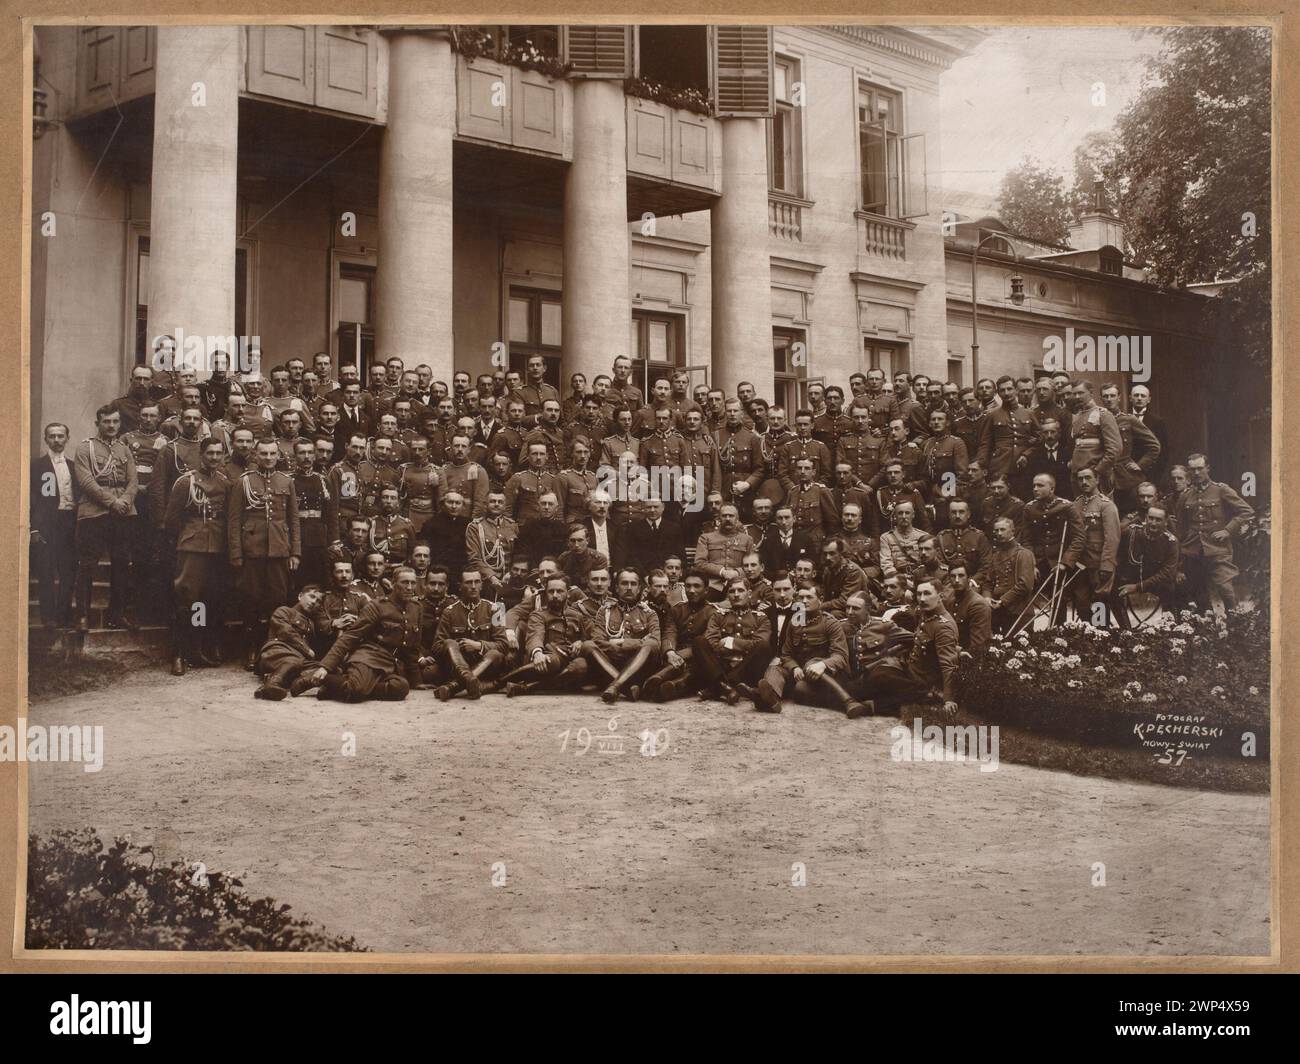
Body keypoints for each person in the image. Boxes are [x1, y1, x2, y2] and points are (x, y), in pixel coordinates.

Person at [228, 439, 301, 669]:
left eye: (272, 454)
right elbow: (234, 520)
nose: (268, 458)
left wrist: (295, 552)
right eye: (264, 454)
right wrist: (236, 553)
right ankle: (250, 648)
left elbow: (294, 519)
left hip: (279, 551)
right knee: (251, 600)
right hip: (252, 551)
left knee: (277, 601)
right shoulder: (245, 482)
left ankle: (273, 649)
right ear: (255, 455)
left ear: (278, 456)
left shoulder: (286, 481)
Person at [744, 585, 864, 718]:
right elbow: (786, 654)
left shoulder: (830, 623)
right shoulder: (795, 622)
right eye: (801, 598)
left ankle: (848, 700)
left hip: (827, 676)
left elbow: (840, 656)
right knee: (775, 668)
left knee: (803, 681)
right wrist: (794, 667)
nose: (804, 601)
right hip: (801, 673)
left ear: (820, 599)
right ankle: (770, 698)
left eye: (809, 597)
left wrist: (822, 665)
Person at [164, 438, 230, 674]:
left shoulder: (225, 482)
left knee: (206, 601)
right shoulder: (186, 481)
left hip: (217, 548)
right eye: (210, 453)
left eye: (218, 453)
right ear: (201, 454)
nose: (214, 457)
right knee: (186, 600)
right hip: (192, 547)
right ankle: (179, 653)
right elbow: (172, 520)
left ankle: (197, 648)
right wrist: (184, 541)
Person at [308, 567, 424, 702]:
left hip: (391, 663)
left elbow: (413, 646)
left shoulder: (417, 608)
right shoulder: (377, 606)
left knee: (401, 687)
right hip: (369, 657)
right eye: (404, 582)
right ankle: (321, 679)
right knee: (357, 691)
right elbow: (350, 636)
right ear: (393, 583)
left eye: (412, 583)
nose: (409, 587)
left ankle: (334, 689)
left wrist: (417, 681)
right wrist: (325, 667)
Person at [73, 405, 139, 631]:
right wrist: (113, 502)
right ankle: (82, 616)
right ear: (97, 423)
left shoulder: (124, 450)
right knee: (87, 565)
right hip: (94, 512)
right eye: (107, 422)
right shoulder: (85, 448)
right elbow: (86, 482)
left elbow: (133, 481)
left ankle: (117, 614)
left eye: (115, 422)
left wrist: (126, 501)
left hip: (123, 512)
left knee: (122, 564)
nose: (111, 426)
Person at [1173, 453, 1254, 616]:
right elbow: (1181, 528)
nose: (1196, 473)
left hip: (1218, 549)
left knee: (1225, 588)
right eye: (1192, 469)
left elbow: (1247, 511)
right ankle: (1207, 630)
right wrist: (1180, 559)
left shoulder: (1221, 490)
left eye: (1200, 468)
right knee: (1199, 593)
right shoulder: (1185, 496)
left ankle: (1236, 625)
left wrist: (1228, 530)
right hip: (1193, 551)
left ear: (1207, 468)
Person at [501, 574, 594, 696]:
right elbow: (535, 635)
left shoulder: (577, 615)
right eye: (551, 591)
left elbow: (589, 636)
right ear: (546, 593)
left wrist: (581, 642)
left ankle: (526, 688)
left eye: (560, 591)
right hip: (549, 659)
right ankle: (498, 683)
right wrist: (537, 652)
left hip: (570, 663)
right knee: (552, 661)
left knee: (581, 665)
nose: (555, 595)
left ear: (568, 593)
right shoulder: (539, 615)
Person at [31, 422, 80, 643]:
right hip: (47, 524)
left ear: (67, 438)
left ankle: (64, 615)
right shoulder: (37, 466)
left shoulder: (73, 466)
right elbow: (32, 500)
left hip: (69, 522)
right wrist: (34, 528)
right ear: (46, 439)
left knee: (68, 571)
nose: (57, 440)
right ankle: (49, 617)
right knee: (46, 571)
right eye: (52, 436)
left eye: (61, 436)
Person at [583, 568, 661, 703]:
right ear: (617, 588)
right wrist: (638, 643)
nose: (629, 588)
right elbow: (597, 639)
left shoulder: (649, 613)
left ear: (639, 588)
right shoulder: (605, 611)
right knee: (587, 645)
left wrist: (621, 643)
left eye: (633, 584)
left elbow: (655, 641)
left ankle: (615, 685)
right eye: (624, 583)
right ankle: (627, 688)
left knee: (651, 644)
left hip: (638, 668)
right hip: (611, 664)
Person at [431, 568, 508, 699]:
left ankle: (453, 687)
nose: (473, 586)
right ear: (460, 586)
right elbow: (436, 646)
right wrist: (454, 646)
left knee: (495, 654)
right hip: (457, 667)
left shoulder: (496, 609)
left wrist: (479, 645)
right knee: (449, 642)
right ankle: (468, 678)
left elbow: (503, 645)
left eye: (477, 582)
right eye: (468, 582)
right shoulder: (449, 612)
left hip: (486, 666)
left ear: (482, 585)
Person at [693, 579, 773, 703]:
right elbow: (711, 642)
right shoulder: (718, 616)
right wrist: (743, 646)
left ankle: (719, 687)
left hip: (746, 669)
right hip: (721, 667)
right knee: (699, 641)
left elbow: (760, 644)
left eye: (740, 590)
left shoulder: (761, 618)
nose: (736, 594)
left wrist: (731, 642)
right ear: (728, 595)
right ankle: (727, 687)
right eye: (732, 591)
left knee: (763, 646)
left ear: (749, 593)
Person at [639, 572, 715, 702]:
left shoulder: (713, 612)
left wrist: (679, 655)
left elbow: (708, 640)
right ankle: (660, 683)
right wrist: (670, 652)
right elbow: (670, 632)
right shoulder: (676, 610)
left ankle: (665, 684)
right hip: (675, 655)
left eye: (697, 586)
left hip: (699, 657)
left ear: (706, 590)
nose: (691, 590)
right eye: (688, 586)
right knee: (673, 663)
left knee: (694, 669)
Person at [1110, 506, 1181, 628]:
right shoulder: (1131, 532)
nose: (1153, 523)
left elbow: (1167, 573)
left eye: (1158, 520)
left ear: (1165, 521)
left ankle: (1171, 629)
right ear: (1146, 518)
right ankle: (1123, 630)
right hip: (1131, 576)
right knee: (1106, 592)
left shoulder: (1171, 542)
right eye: (1151, 518)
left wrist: (1138, 587)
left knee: (1172, 590)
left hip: (1155, 581)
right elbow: (1117, 554)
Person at [254, 585, 328, 700]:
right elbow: (286, 632)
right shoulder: (284, 611)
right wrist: (306, 650)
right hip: (275, 653)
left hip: (299, 660)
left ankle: (297, 683)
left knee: (325, 668)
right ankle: (272, 684)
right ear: (300, 596)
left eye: (318, 601)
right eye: (312, 596)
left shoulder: (312, 624)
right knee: (294, 660)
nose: (314, 602)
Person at [1069, 466, 1120, 626]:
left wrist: (1107, 565)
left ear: (1097, 480)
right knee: (1081, 602)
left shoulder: (1106, 505)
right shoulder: (1075, 504)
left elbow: (1112, 538)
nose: (1084, 482)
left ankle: (1102, 635)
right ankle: (1088, 632)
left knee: (1100, 601)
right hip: (1079, 564)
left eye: (1088, 478)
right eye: (1080, 479)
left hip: (1098, 562)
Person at [986, 516, 1036, 632]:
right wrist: (987, 597)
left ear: (1013, 531)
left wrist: (1003, 601)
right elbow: (988, 582)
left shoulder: (1024, 554)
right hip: (997, 611)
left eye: (1002, 529)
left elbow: (1025, 585)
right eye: (996, 530)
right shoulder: (995, 556)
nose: (999, 533)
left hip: (1018, 612)